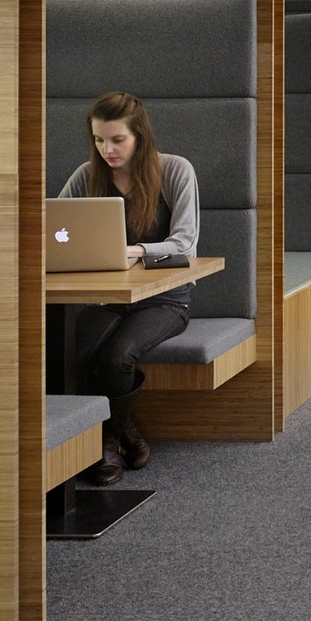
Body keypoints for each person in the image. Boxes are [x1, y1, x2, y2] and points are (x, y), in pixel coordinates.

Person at [58, 91, 201, 484]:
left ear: (140, 136)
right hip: (105, 299)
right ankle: (128, 434)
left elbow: (185, 243)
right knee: (73, 354)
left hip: (165, 300)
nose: (107, 150)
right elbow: (53, 227)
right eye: (99, 140)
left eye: (117, 140)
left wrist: (133, 251)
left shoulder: (175, 170)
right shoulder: (86, 176)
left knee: (117, 357)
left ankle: (105, 442)